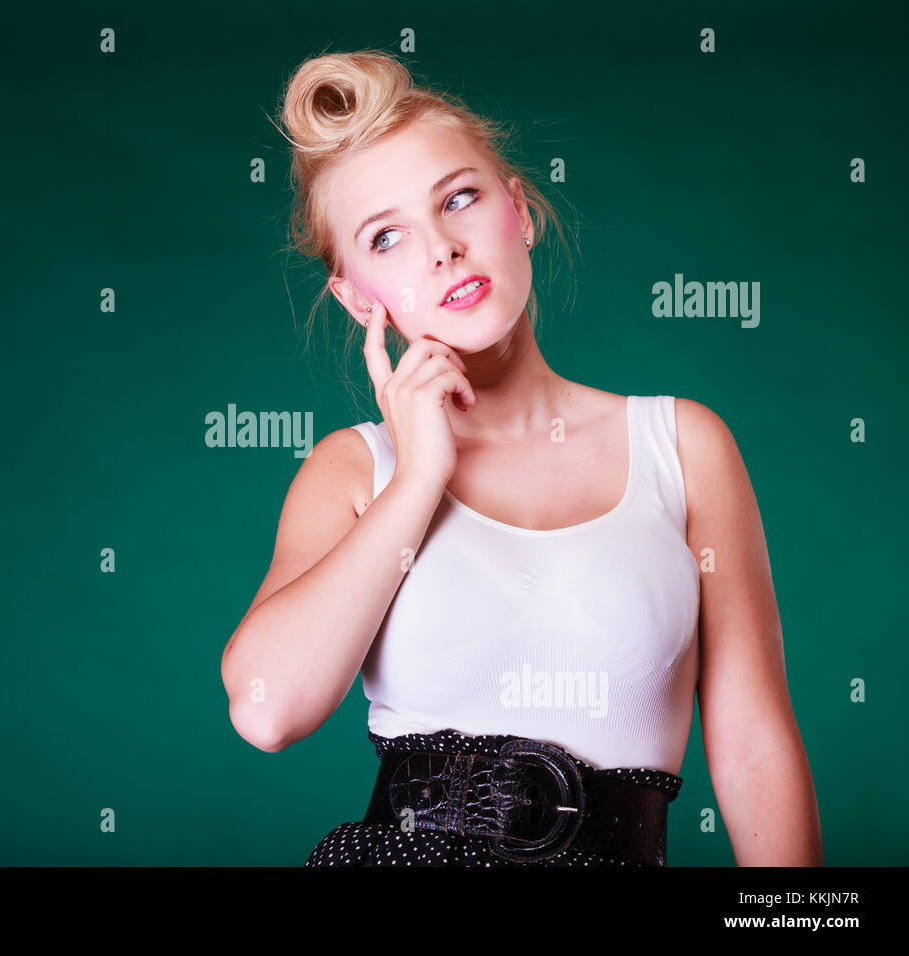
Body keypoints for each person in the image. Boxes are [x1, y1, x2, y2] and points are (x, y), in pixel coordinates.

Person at [219, 49, 822, 866]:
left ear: (520, 209)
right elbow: (267, 712)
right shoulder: (353, 468)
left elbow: (753, 744)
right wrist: (421, 476)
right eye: (387, 237)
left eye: (458, 199)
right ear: (358, 295)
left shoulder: (682, 444)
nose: (441, 250)